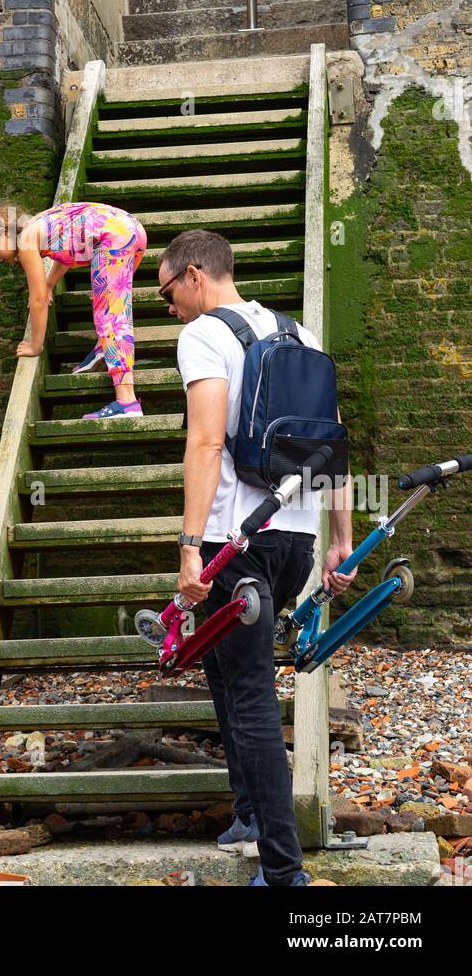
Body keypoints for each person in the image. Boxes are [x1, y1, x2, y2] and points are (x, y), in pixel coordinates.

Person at [158, 229, 355, 887]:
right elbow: (334, 446)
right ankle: (248, 813)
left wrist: (190, 546)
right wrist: (341, 538)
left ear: (193, 275)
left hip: (233, 541)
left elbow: (208, 442)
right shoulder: (304, 336)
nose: (168, 308)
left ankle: (281, 872)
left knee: (247, 695)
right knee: (222, 666)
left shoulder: (205, 336)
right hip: (294, 540)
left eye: (165, 293)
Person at [0, 200, 147, 420]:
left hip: (115, 237)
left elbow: (38, 300)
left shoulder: (25, 241)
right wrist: (49, 284)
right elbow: (65, 255)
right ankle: (104, 348)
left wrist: (35, 345)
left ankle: (127, 402)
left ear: (5, 232)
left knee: (112, 316)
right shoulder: (37, 226)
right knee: (108, 308)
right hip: (130, 230)